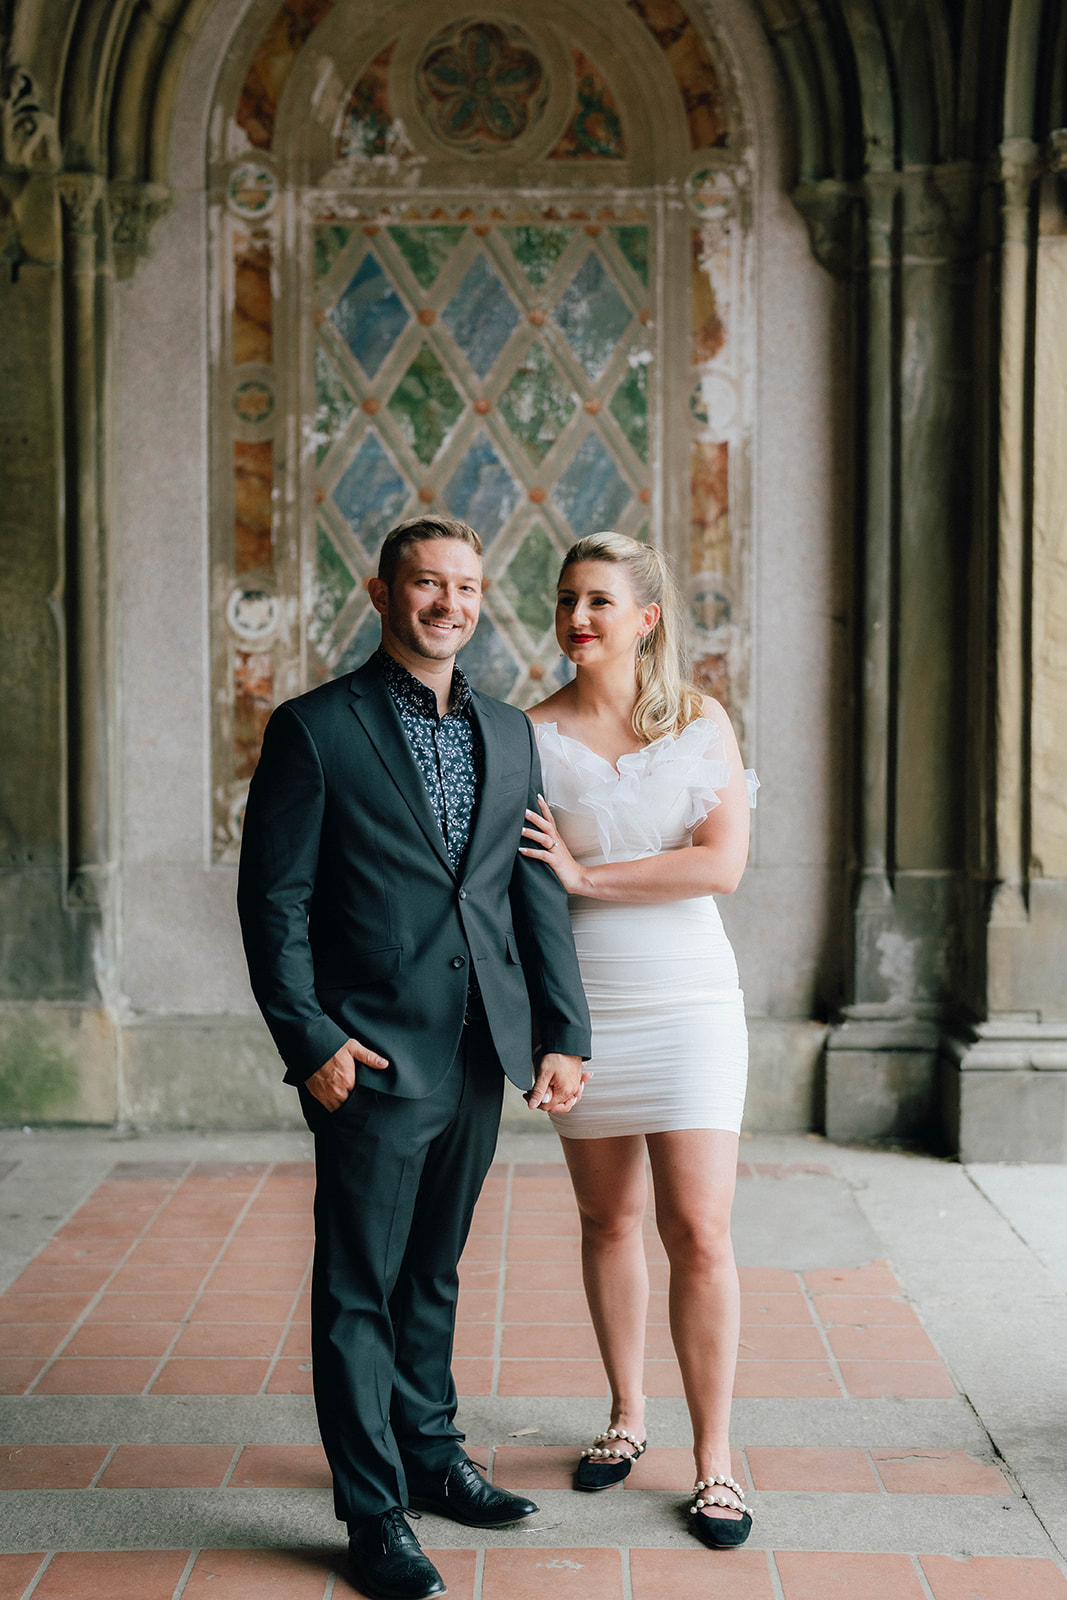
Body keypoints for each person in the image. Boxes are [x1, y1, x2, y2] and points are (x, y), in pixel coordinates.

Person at [237, 515, 591, 1600]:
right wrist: (310, 1040)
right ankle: (373, 1509)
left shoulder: (509, 731)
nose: (449, 603)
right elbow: (273, 902)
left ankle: (431, 1455)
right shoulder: (315, 729)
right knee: (360, 1285)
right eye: (428, 584)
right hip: (369, 1054)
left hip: (480, 1046)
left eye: (466, 586)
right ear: (382, 593)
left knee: (433, 1267)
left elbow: (528, 887)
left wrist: (562, 1030)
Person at [520, 532, 758, 1551]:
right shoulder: (526, 734)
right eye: (565, 599)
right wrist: (546, 1025)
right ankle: (625, 1416)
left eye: (598, 601)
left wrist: (587, 877)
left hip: (691, 999)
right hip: (586, 1007)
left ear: (645, 618)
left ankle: (715, 1461)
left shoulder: (701, 720)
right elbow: (519, 887)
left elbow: (720, 866)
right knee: (606, 1220)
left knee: (698, 1229)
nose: (576, 618)